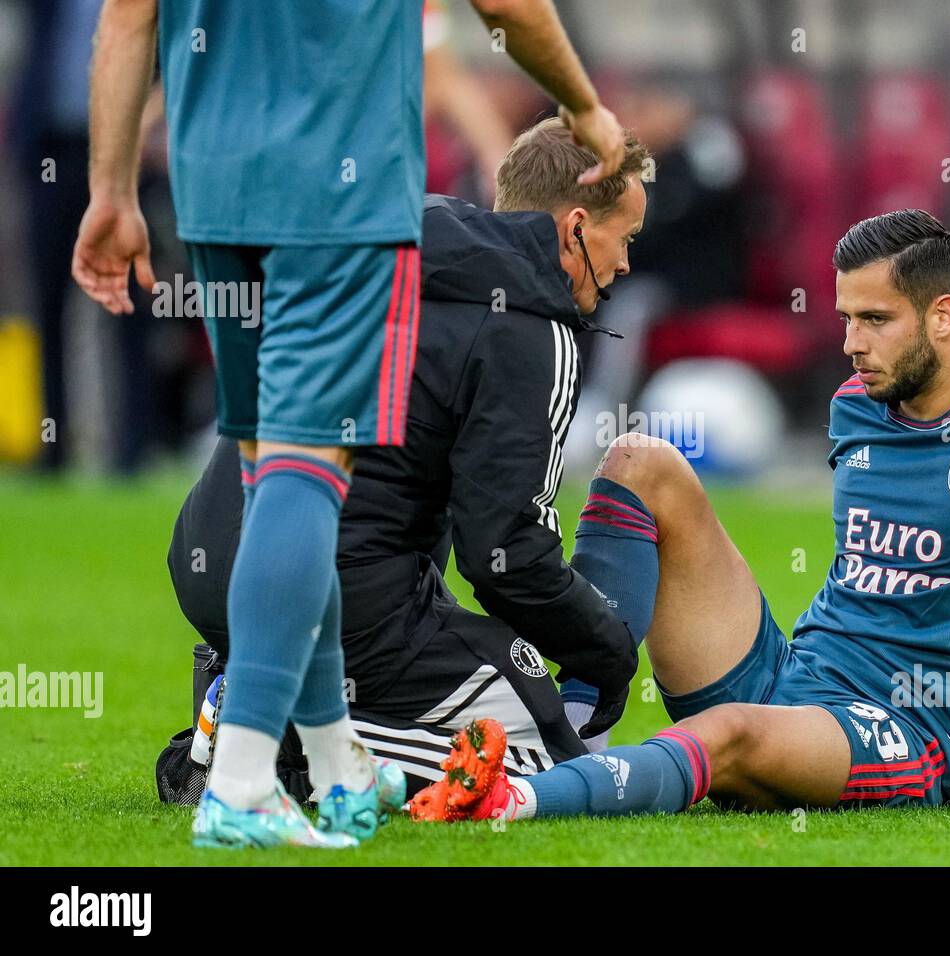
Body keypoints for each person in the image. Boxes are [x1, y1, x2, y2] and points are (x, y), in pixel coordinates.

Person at [410, 209, 950, 823]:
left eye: (875, 320)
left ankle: (525, 799)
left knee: (727, 736)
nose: (851, 344)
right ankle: (579, 727)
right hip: (792, 675)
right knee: (639, 460)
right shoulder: (854, 409)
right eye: (844, 319)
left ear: (943, 315)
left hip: (916, 728)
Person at [71, 0, 627, 849]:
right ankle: (255, 775)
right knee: (307, 476)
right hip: (339, 194)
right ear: (578, 224)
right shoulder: (523, 316)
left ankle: (327, 758)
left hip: (212, 188)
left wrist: (110, 190)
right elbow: (506, 9)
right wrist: (584, 105)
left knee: (271, 465)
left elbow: (124, 18)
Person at [159, 119, 650, 807]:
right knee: (548, 762)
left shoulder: (399, 233)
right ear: (574, 229)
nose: (626, 264)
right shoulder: (532, 327)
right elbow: (504, 553)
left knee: (468, 644)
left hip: (209, 552)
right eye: (623, 239)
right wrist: (608, 649)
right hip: (337, 588)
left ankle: (246, 694)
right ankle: (274, 738)